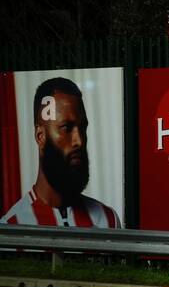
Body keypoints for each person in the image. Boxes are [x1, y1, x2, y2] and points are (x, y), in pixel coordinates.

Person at [3, 77, 121, 227]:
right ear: (41, 137)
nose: (79, 141)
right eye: (66, 128)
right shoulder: (12, 227)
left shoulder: (107, 220)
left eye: (83, 128)